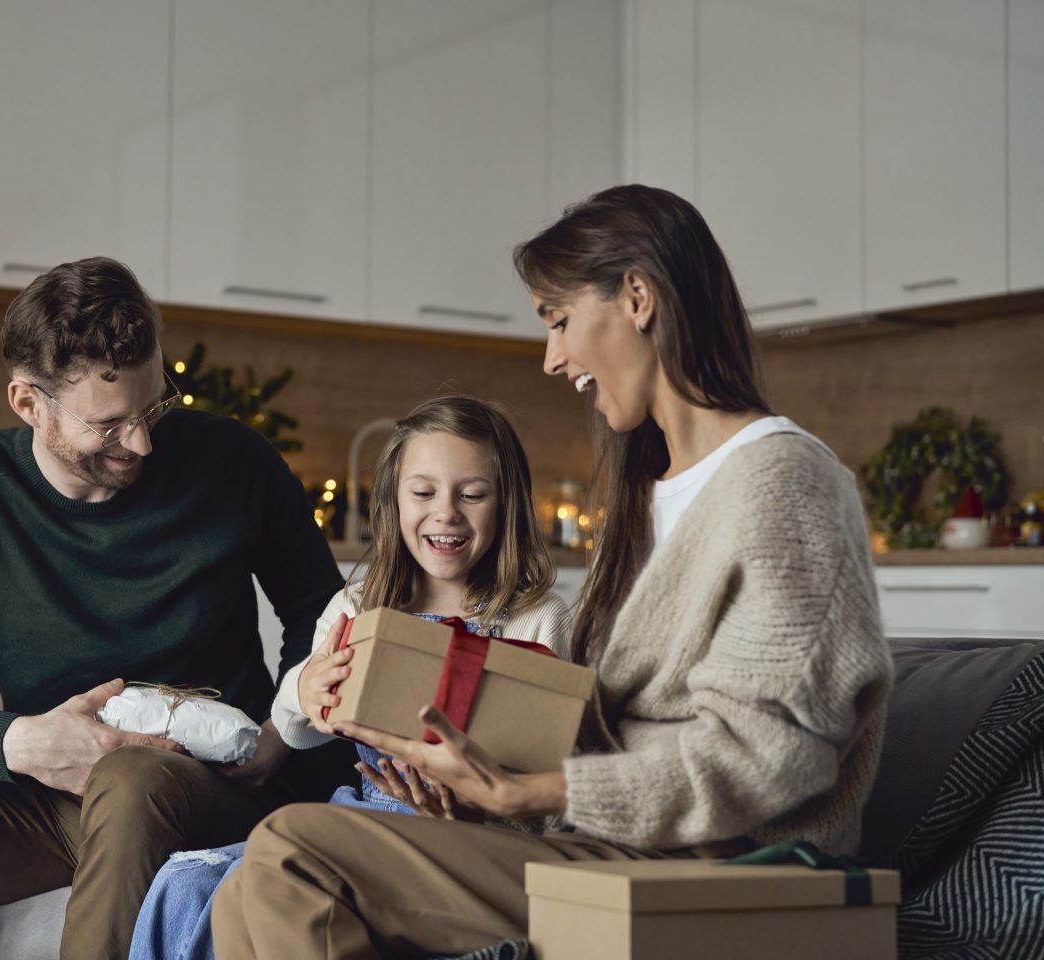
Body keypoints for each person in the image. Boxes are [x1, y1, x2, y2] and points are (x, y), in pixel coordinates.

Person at [211, 184, 896, 959]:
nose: (552, 357)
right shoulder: (651, 493)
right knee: (250, 881)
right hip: (617, 848)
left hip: (728, 870)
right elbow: (612, 737)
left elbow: (771, 757)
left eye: (559, 319)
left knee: (295, 851)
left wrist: (533, 792)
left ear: (637, 296)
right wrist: (483, 802)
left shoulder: (782, 483)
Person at [0, 256, 354, 960]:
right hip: (42, 801)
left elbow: (328, 618)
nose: (142, 442)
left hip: (199, 793)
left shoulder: (233, 461)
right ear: (29, 404)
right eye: (111, 425)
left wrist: (279, 736)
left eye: (155, 408)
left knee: (132, 775)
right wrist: (25, 743)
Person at [128, 395, 573, 960]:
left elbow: (560, 774)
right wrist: (307, 692)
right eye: (423, 492)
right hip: (364, 815)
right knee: (186, 882)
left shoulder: (539, 617)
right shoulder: (358, 606)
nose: (447, 513)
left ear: (506, 504)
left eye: (473, 494)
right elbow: (299, 726)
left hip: (479, 838)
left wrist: (488, 810)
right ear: (391, 500)